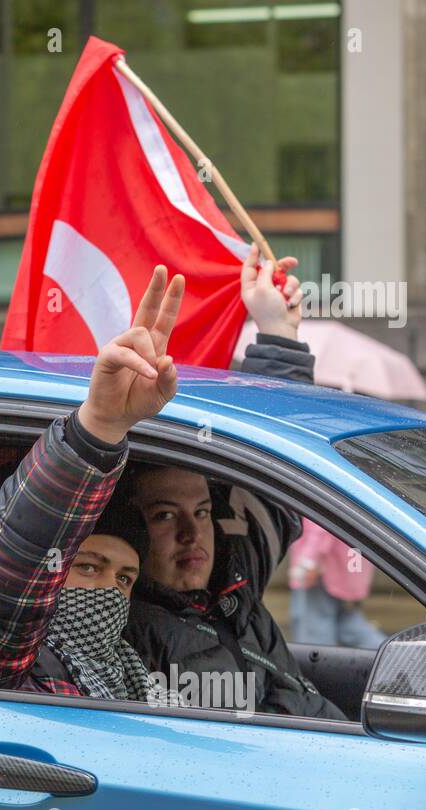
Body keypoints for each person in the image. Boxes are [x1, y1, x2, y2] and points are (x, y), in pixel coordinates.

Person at [0, 246, 343, 719]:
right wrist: (99, 425)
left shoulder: (201, 610)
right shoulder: (13, 660)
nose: (108, 596)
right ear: (50, 574)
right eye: (90, 568)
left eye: (123, 577)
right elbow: (10, 568)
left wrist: (278, 336)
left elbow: (272, 490)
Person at [121, 248, 345, 718]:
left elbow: (275, 469)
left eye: (201, 512)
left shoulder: (232, 577)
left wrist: (277, 333)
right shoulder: (123, 634)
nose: (192, 533)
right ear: (130, 530)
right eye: (165, 516)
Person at [288, 519, 386, 649]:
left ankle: (316, 669)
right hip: (350, 567)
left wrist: (309, 560)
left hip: (325, 570)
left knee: (314, 631)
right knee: (349, 625)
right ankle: (391, 654)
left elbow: (321, 522)